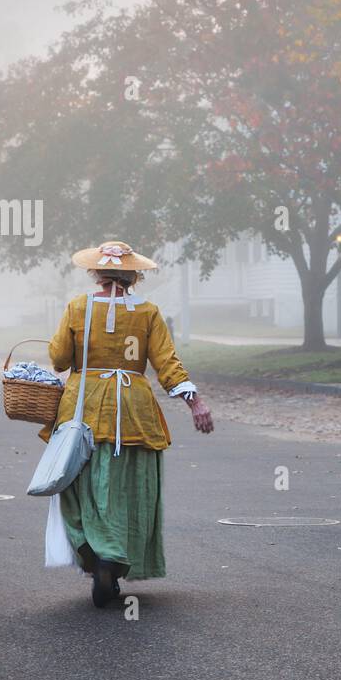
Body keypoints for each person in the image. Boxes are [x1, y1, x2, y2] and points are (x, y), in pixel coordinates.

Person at [39, 239, 214, 607]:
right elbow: (167, 364)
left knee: (81, 483)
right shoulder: (148, 312)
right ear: (134, 275)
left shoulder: (78, 308)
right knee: (127, 485)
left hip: (82, 408)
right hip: (132, 409)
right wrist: (194, 401)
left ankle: (96, 552)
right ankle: (114, 555)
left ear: (97, 272)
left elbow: (58, 358)